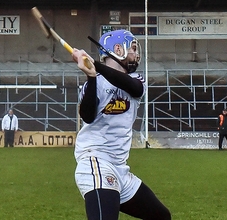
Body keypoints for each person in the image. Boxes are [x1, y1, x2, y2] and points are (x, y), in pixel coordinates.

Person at [71, 30, 171, 220]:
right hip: (95, 162)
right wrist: (91, 76)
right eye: (132, 48)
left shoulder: (136, 81)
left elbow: (133, 88)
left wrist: (96, 66)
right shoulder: (94, 83)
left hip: (119, 168)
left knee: (161, 216)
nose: (136, 54)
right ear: (118, 49)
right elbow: (87, 116)